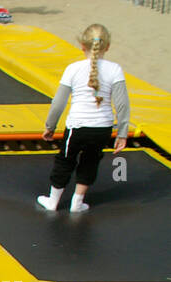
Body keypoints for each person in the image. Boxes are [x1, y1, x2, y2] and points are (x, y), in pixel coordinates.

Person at [37, 24, 129, 214]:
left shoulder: (73, 69)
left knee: (65, 160)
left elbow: (59, 103)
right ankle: (77, 203)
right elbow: (122, 104)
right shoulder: (115, 69)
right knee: (90, 161)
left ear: (82, 46)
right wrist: (122, 133)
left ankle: (53, 201)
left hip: (77, 127)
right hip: (102, 128)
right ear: (108, 46)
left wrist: (50, 126)